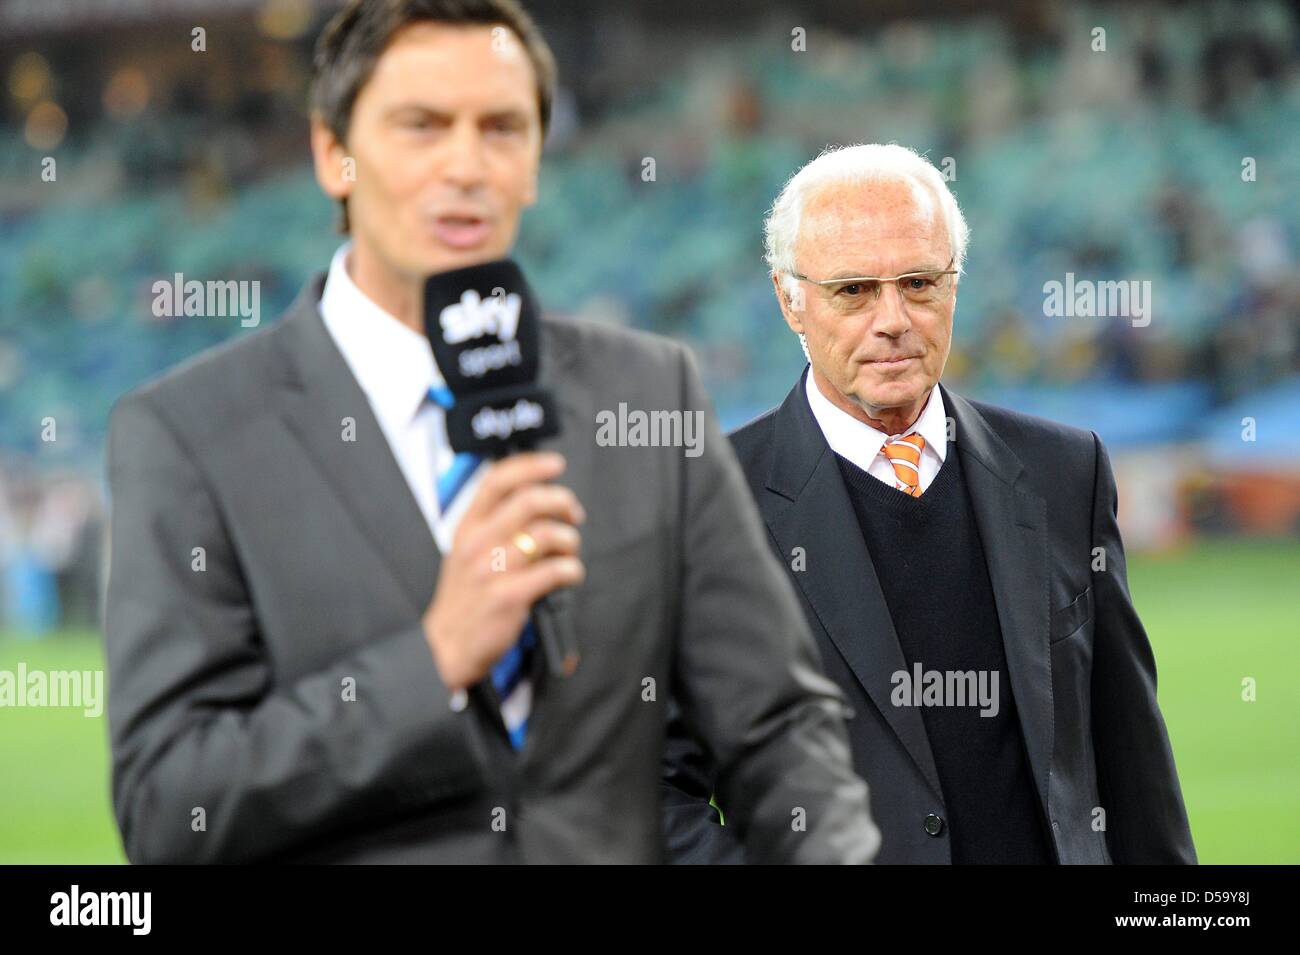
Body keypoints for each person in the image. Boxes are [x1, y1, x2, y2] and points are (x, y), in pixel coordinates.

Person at [103, 0, 879, 864]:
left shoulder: (649, 392)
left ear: (536, 161)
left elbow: (774, 724)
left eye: (502, 127)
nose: (466, 165)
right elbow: (168, 807)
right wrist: (430, 663)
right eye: (423, 126)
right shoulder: (191, 434)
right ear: (334, 153)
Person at [663, 143, 1196, 864]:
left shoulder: (1066, 474)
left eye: (918, 282)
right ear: (790, 298)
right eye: (853, 290)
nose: (893, 319)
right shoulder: (705, 507)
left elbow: (1134, 770)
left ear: (955, 286)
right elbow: (656, 793)